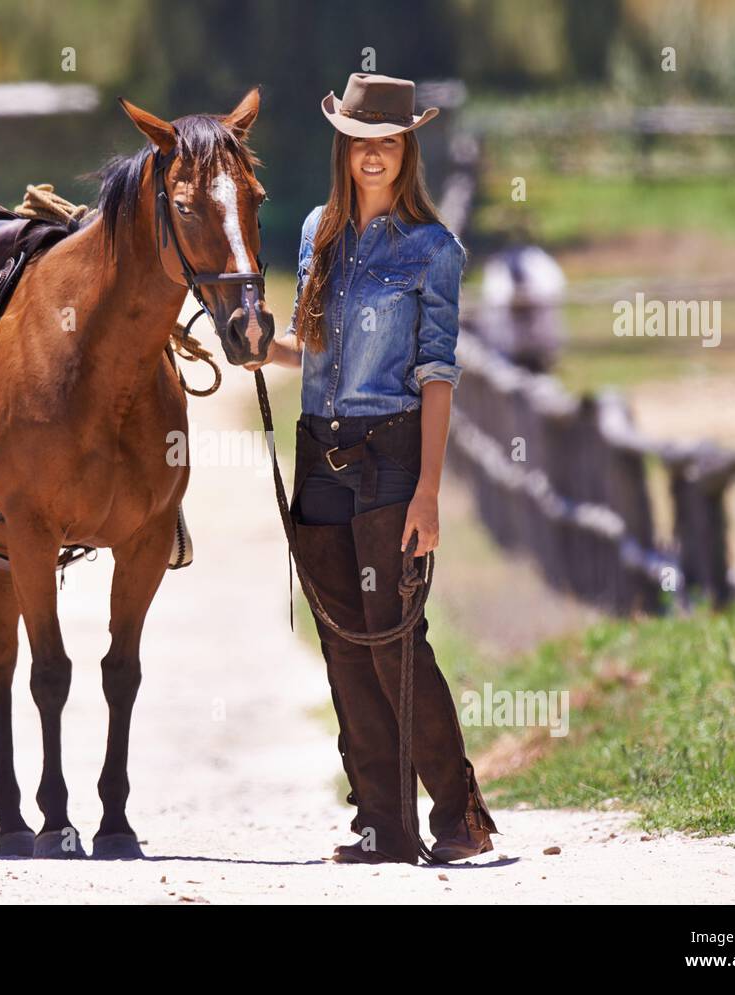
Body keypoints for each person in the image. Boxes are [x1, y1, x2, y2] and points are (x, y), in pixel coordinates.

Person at [253, 72, 500, 864]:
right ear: (344, 144)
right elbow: (312, 345)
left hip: (392, 458)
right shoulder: (317, 231)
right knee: (342, 640)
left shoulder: (435, 250)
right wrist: (260, 347)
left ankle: (458, 816)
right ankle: (382, 825)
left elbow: (437, 375)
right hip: (319, 452)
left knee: (395, 637)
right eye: (362, 140)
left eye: (388, 141)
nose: (374, 155)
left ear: (407, 148)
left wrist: (428, 490)